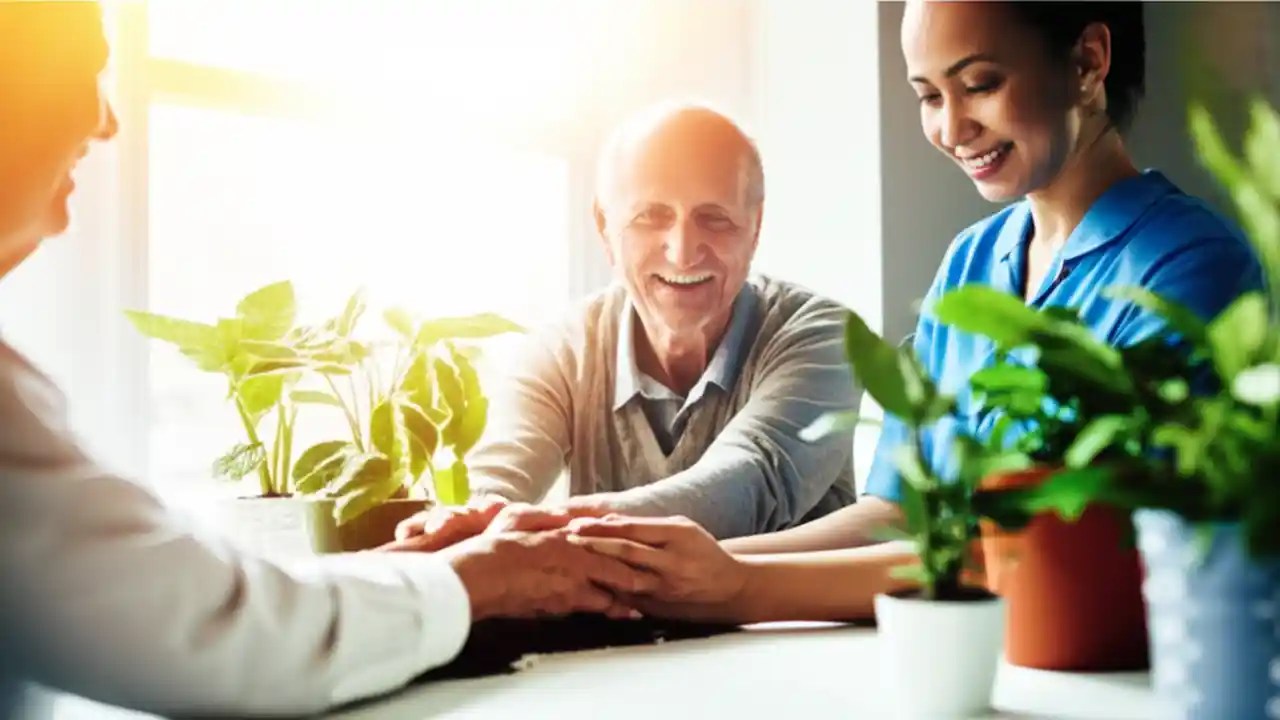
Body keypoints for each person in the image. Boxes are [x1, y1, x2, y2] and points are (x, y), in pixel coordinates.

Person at [0, 5, 654, 717]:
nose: (106, 121)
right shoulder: (571, 339)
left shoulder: (790, 326)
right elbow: (216, 636)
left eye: (716, 217)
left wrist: (424, 566)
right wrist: (481, 573)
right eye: (86, 71)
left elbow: (181, 596)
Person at [562, 1, 1263, 621]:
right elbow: (897, 518)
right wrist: (690, 566)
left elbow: (1058, 554)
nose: (951, 126)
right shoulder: (969, 264)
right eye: (928, 95)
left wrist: (740, 586)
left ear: (1087, 60)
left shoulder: (1189, 267)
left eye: (980, 84)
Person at [391, 103, 860, 548]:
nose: (682, 251)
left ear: (754, 228)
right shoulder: (564, 349)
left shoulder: (822, 336)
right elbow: (498, 481)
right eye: (650, 217)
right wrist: (467, 519)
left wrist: (555, 525)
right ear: (603, 226)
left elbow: (749, 481)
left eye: (714, 219)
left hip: (786, 633)